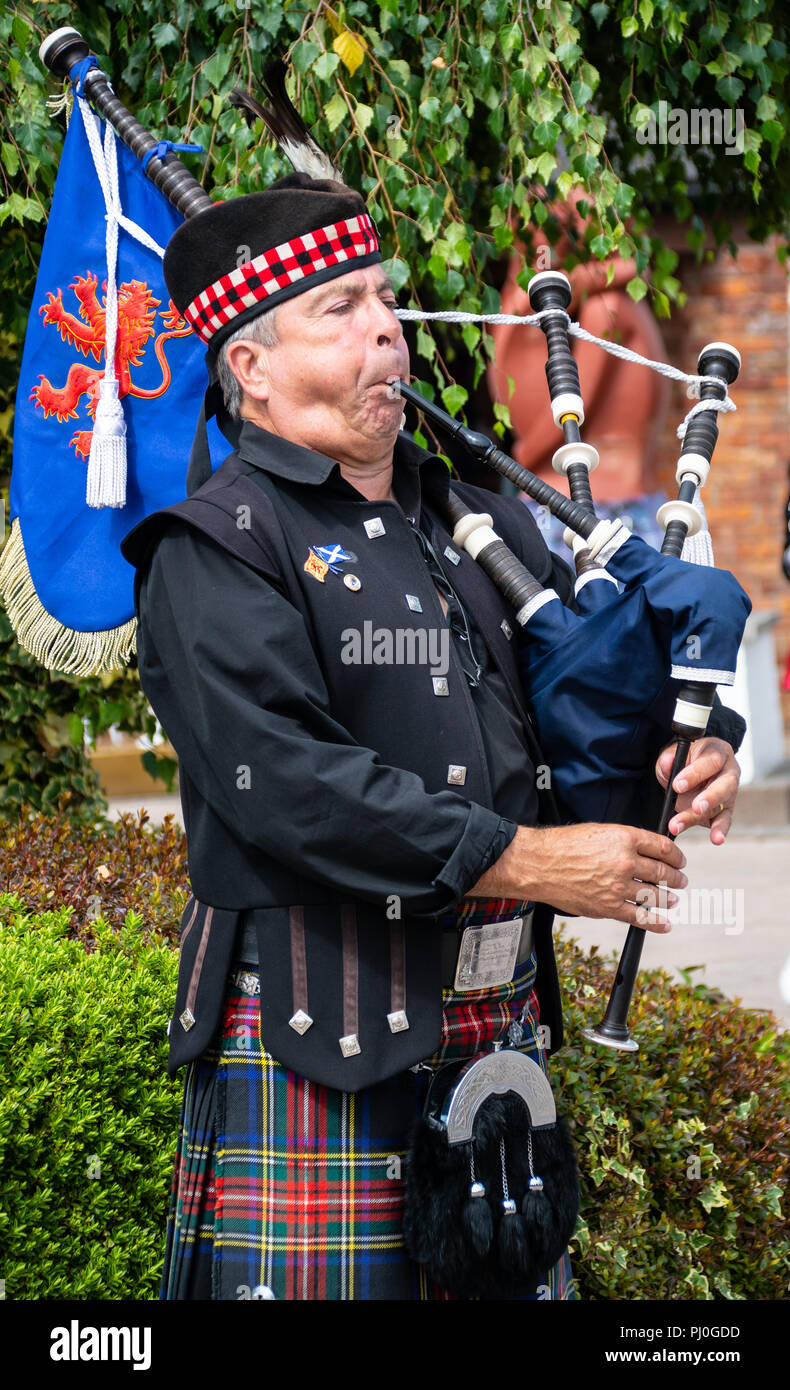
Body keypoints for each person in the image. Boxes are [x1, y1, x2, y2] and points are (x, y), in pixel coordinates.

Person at [120, 172, 744, 1301]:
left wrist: (687, 743)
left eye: (384, 301)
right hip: (325, 1047)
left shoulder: (469, 518)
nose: (386, 334)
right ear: (249, 367)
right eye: (340, 310)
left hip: (496, 1036)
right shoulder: (212, 545)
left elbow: (588, 690)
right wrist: (534, 860)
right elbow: (291, 786)